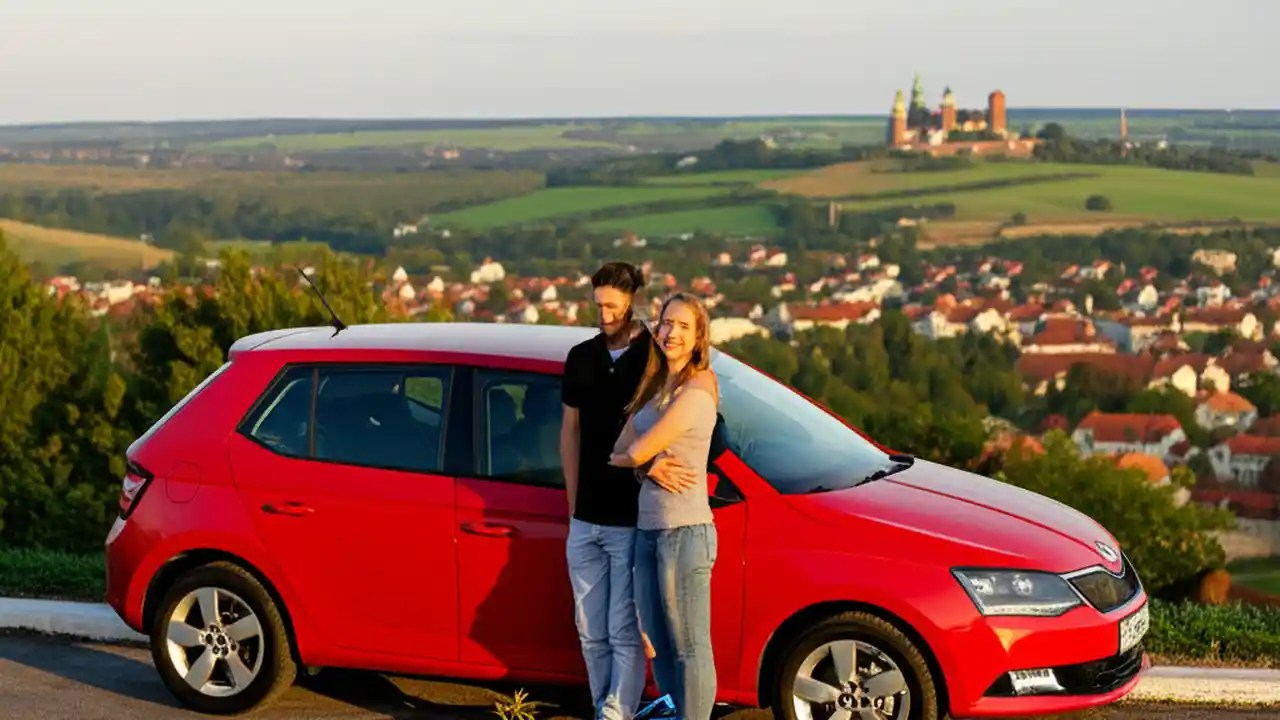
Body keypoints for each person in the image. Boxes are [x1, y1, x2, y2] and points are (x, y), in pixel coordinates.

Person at [561, 263, 699, 720]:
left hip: (630, 516)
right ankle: (604, 705)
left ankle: (617, 712)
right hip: (585, 519)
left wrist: (653, 460)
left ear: (633, 301)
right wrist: (572, 504)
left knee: (623, 627)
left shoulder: (654, 357)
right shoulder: (580, 356)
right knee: (588, 629)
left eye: (612, 307)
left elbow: (673, 421)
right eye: (598, 305)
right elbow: (571, 433)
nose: (603, 315)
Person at [609, 292, 720, 720]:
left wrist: (640, 459)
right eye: (666, 323)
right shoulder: (656, 388)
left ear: (698, 339)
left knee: (689, 645)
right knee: (659, 641)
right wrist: (648, 465)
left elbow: (631, 453)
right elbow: (617, 452)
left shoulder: (696, 390)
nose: (670, 332)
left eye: (682, 326)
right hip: (649, 529)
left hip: (685, 531)